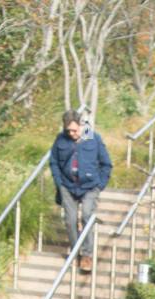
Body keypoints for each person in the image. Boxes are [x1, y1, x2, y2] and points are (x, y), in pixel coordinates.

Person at [48, 110, 112, 272]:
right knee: (70, 220)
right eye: (68, 130)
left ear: (81, 126)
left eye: (74, 130)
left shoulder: (93, 137)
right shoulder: (61, 139)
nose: (72, 133)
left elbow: (106, 163)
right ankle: (76, 251)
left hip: (90, 186)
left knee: (86, 215)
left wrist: (100, 185)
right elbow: (54, 161)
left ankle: (87, 255)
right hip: (67, 185)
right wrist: (59, 182)